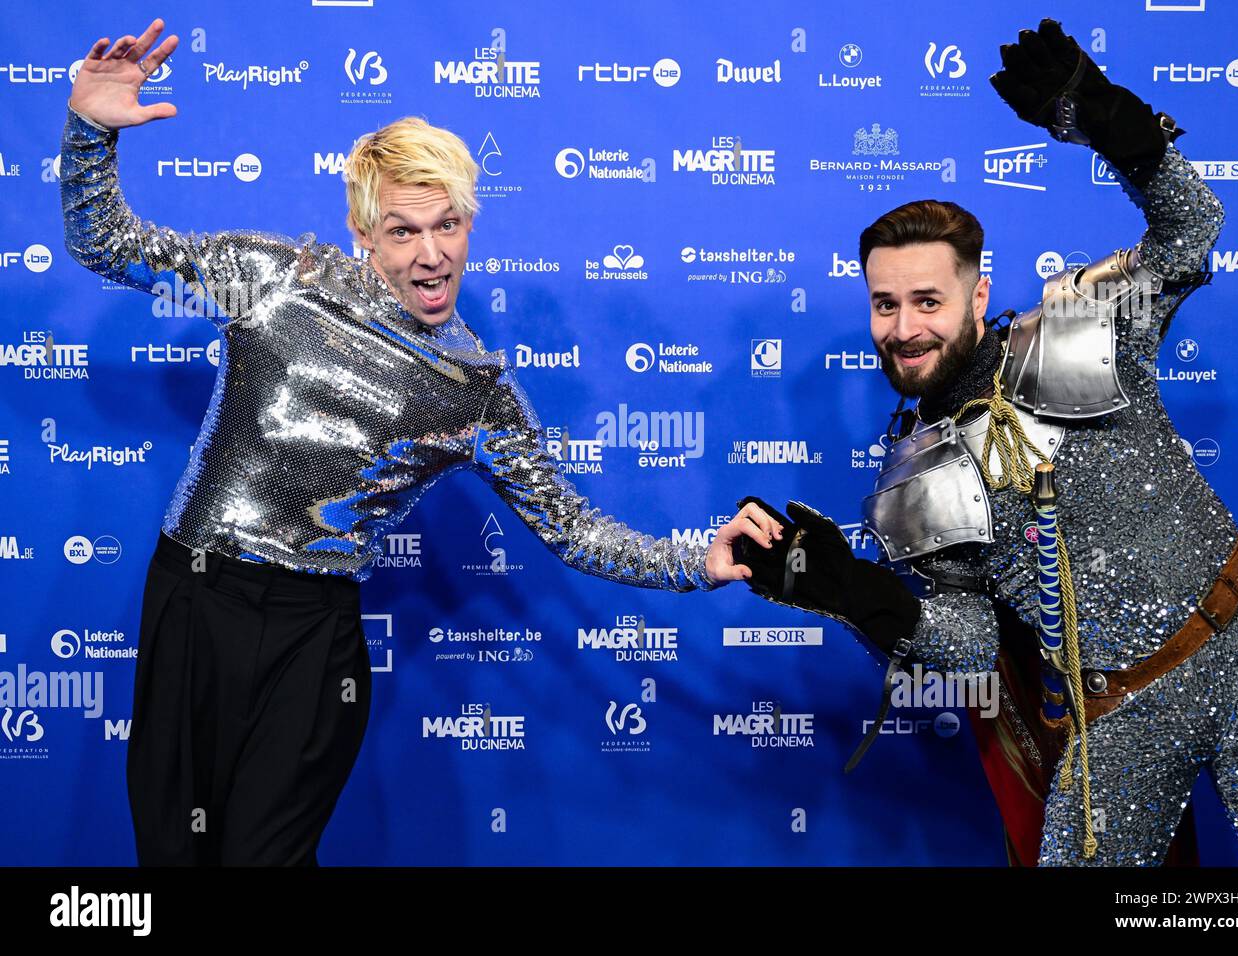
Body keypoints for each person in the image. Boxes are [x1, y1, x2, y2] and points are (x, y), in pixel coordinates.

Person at [61, 18, 782, 866]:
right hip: (194, 599)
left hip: (312, 636)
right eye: (405, 231)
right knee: (172, 859)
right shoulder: (271, 278)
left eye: (450, 225)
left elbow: (575, 528)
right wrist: (90, 134)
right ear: (362, 233)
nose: (433, 255)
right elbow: (103, 241)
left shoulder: (477, 388)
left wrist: (698, 559)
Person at [737, 19, 1238, 866]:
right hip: (1119, 715)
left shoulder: (1077, 329)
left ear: (977, 294)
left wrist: (1105, 117)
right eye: (884, 305)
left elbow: (1190, 234)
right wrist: (848, 589)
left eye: (927, 300)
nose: (904, 327)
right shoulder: (910, 487)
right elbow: (967, 644)